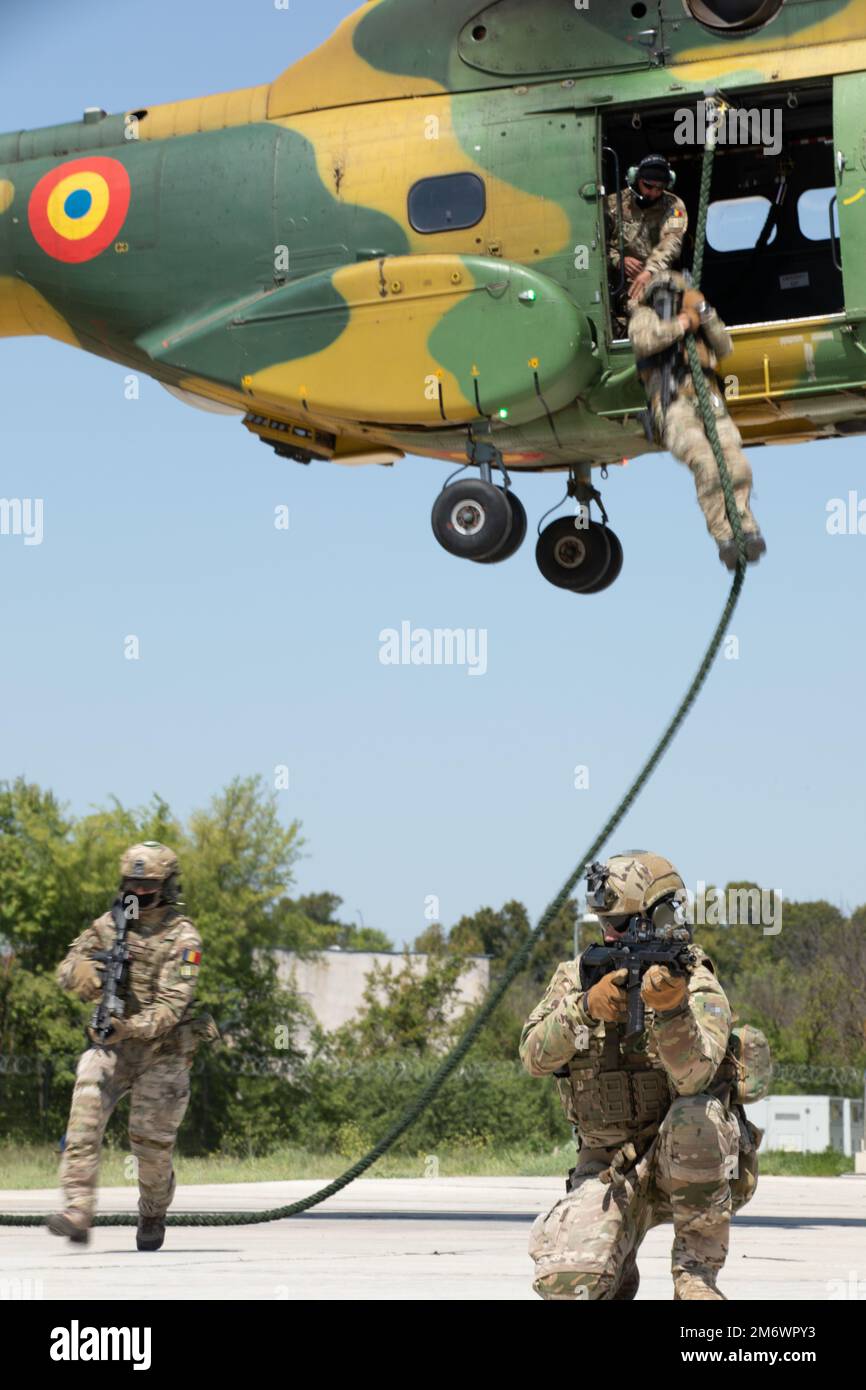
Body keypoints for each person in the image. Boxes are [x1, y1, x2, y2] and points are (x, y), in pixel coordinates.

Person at [520, 851, 761, 1301]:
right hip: (609, 1167)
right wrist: (584, 1009)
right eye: (606, 924)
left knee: (698, 1113)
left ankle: (695, 1277)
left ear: (662, 916)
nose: (612, 935)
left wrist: (672, 1011)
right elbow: (533, 1057)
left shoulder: (694, 979)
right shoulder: (576, 978)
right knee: (569, 1285)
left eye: (626, 925)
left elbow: (695, 1077)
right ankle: (616, 1267)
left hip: (689, 1169)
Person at [49, 842, 216, 1250]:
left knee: (149, 1143)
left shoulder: (183, 937)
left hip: (163, 1052)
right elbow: (67, 965)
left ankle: (153, 1210)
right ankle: (78, 1210)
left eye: (149, 886)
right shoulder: (109, 923)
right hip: (112, 1046)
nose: (138, 893)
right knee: (85, 1111)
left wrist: (130, 1027)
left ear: (168, 886)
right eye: (132, 883)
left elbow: (172, 1006)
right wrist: (81, 973)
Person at [629, 271, 766, 568]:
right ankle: (724, 535)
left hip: (708, 397)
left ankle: (746, 526)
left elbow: (725, 346)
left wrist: (702, 312)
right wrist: (681, 324)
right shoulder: (645, 316)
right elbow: (645, 341)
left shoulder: (698, 316)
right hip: (673, 402)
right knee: (706, 464)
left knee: (737, 465)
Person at [606, 154, 688, 335]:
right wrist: (618, 260)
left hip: (659, 279)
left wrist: (649, 271)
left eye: (660, 188)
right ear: (636, 178)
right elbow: (594, 248)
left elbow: (671, 242)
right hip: (622, 284)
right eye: (648, 186)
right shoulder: (613, 205)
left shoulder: (674, 207)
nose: (653, 193)